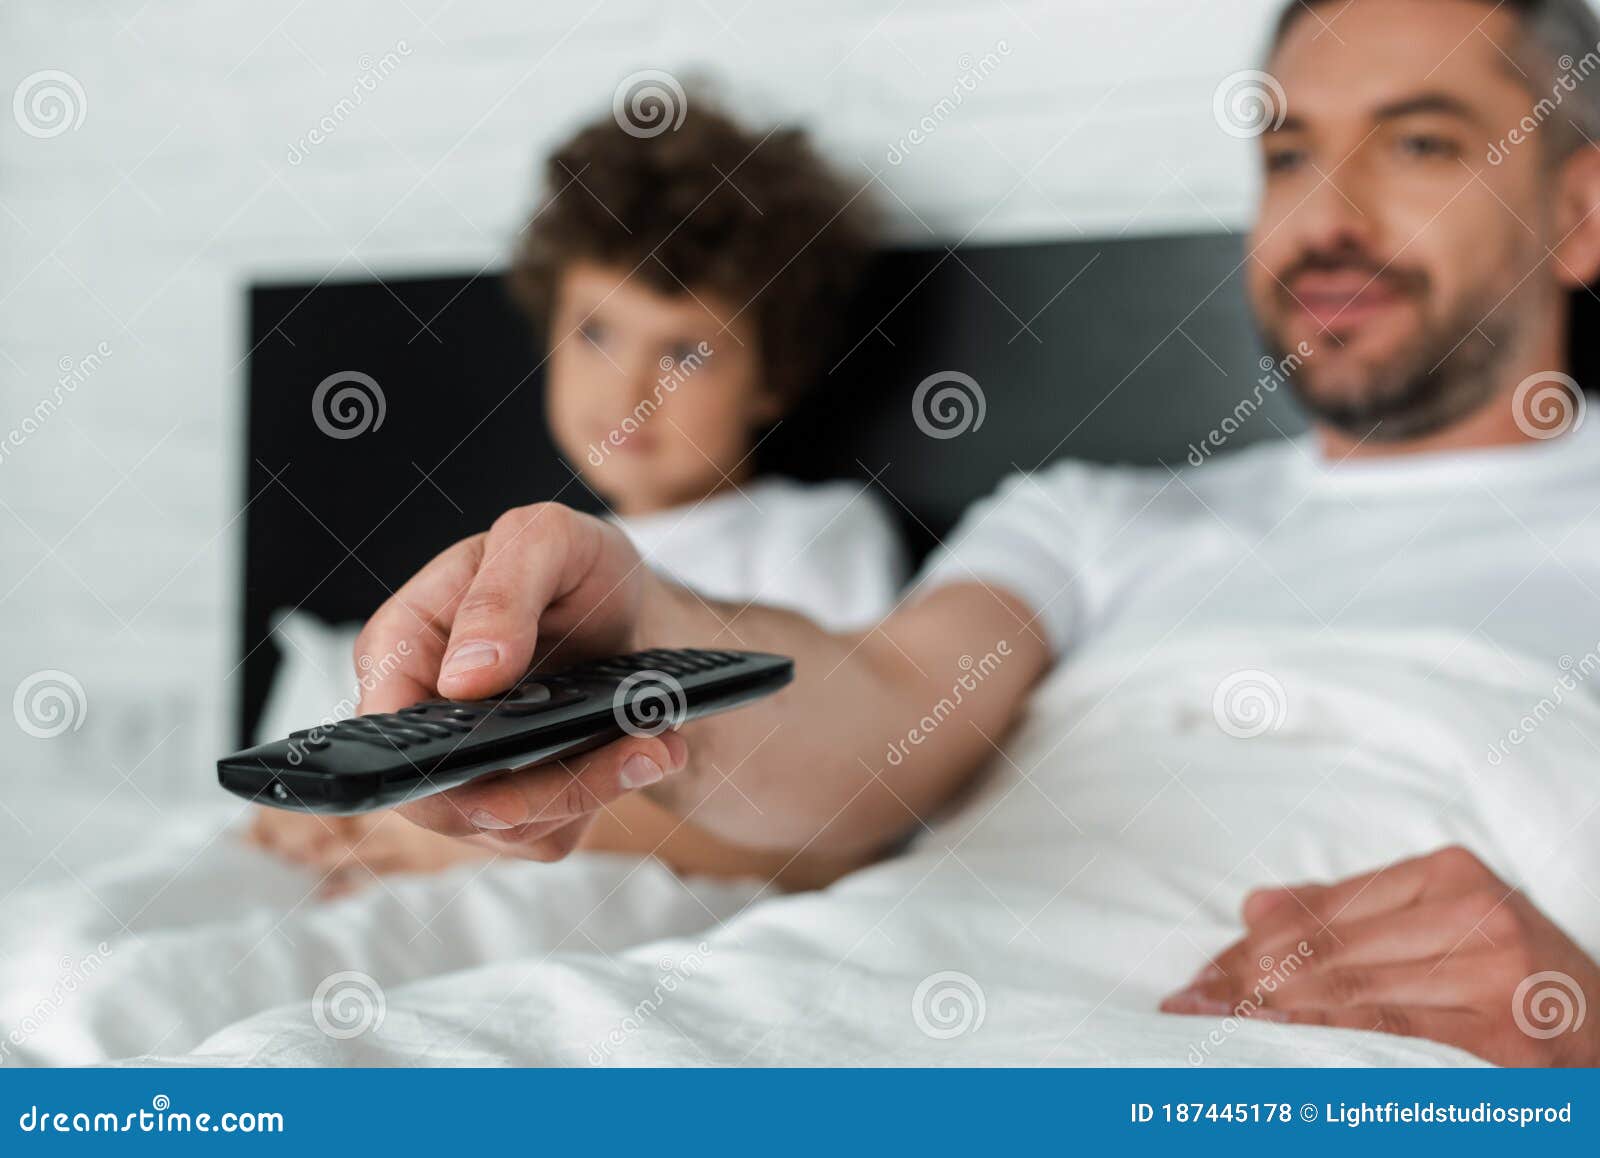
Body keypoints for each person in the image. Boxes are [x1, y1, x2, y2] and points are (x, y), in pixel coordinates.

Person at [335, 0, 1600, 1066]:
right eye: (1286, 155)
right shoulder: (1092, 518)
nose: (1327, 217)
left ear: (1580, 210)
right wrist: (648, 644)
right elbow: (880, 711)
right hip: (850, 1017)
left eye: (1420, 143)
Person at [248, 100, 905, 890]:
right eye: (596, 334)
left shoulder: (812, 533)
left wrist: (472, 838)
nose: (627, 391)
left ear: (774, 376)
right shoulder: (535, 566)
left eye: (686, 354)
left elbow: (837, 826)